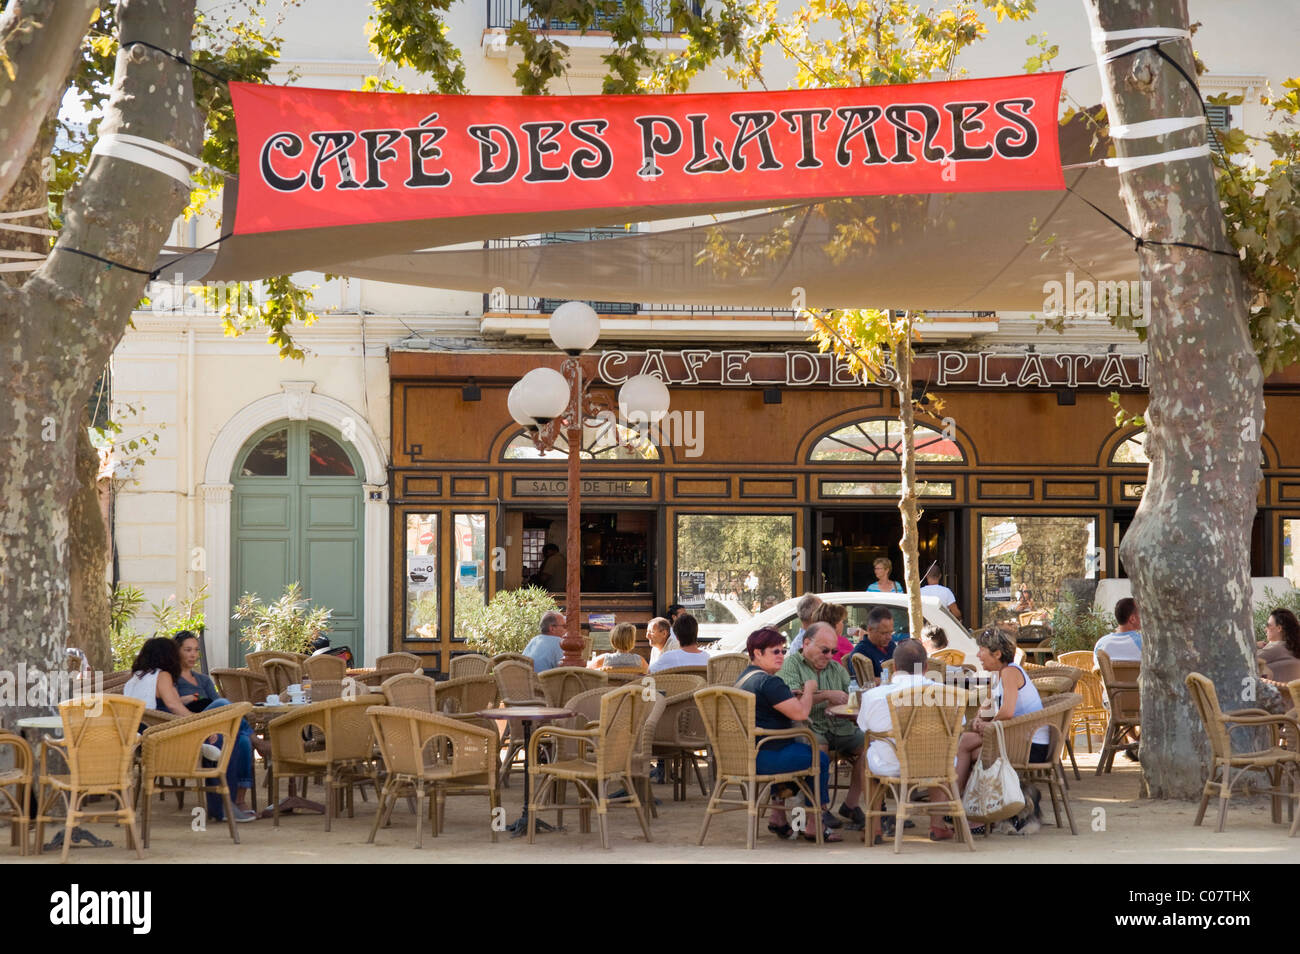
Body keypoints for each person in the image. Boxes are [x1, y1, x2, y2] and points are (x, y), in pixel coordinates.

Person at [124, 637, 257, 823]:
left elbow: (165, 705)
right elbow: (174, 707)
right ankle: (224, 807)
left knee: (229, 732)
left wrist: (187, 702)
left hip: (149, 736)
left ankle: (223, 807)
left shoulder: (137, 678)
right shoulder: (163, 675)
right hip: (170, 736)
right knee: (224, 708)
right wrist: (201, 727)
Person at [736, 627, 837, 842]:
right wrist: (809, 689)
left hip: (747, 754)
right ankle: (813, 824)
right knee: (819, 758)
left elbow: (767, 706)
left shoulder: (745, 678)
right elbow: (801, 713)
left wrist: (790, 696)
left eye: (783, 651)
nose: (781, 656)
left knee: (799, 751)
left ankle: (778, 817)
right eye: (775, 652)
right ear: (757, 653)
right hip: (767, 756)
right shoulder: (769, 682)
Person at [856, 638, 955, 842]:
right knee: (940, 751)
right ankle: (937, 825)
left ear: (894, 667)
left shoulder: (874, 696)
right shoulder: (948, 694)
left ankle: (874, 827)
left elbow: (864, 728)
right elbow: (958, 726)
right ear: (926, 667)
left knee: (867, 754)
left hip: (889, 765)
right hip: (935, 764)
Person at [956, 627, 1048, 831]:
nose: (978, 655)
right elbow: (986, 708)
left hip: (1030, 745)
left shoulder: (1009, 673)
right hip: (1015, 738)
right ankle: (966, 808)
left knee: (967, 745)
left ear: (997, 654)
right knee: (972, 747)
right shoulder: (998, 675)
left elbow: (1007, 712)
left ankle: (957, 805)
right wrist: (980, 720)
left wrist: (988, 725)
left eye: (982, 650)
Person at [778, 622, 864, 830]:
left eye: (833, 651)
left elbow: (851, 699)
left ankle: (850, 804)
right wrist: (826, 696)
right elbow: (794, 700)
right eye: (824, 650)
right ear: (806, 643)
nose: (829, 655)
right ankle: (819, 811)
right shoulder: (791, 665)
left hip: (839, 727)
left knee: (872, 744)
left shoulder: (836, 668)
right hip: (806, 728)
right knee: (819, 748)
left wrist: (849, 703)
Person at [173, 631, 258, 823]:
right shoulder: (170, 679)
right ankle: (258, 742)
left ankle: (237, 801)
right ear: (176, 651)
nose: (193, 655)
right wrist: (190, 699)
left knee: (242, 739)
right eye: (187, 650)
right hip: (191, 726)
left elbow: (219, 702)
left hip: (215, 723)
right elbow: (170, 705)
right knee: (225, 706)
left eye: (195, 650)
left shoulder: (202, 679)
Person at [849, 606, 897, 679]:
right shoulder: (860, 653)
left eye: (891, 632)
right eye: (884, 633)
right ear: (870, 629)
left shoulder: (891, 645)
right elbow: (864, 683)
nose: (889, 637)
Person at [1258, 607, 1300, 682]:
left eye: (1268, 625)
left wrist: (1254, 645)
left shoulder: (1277, 648)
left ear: (1279, 628)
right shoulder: (1292, 649)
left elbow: (1246, 659)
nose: (1265, 629)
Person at [1094, 597, 1143, 662]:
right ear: (1132, 619)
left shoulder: (1101, 645)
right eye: (1142, 614)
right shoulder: (1144, 643)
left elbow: (1097, 670)